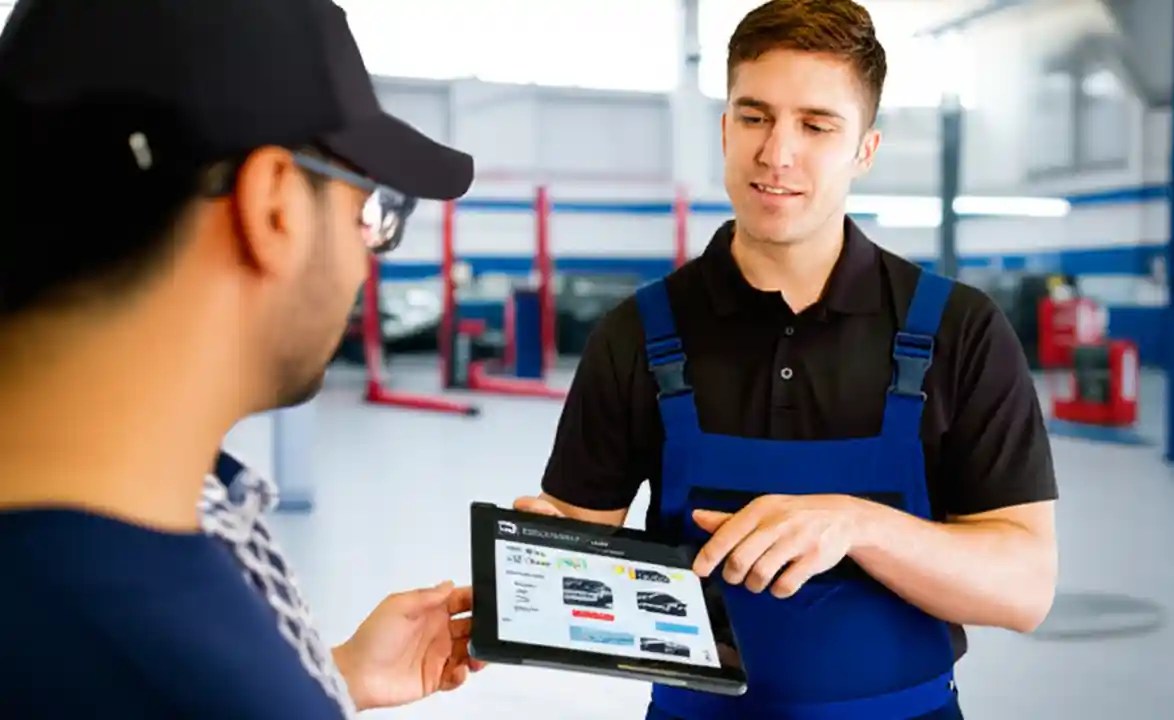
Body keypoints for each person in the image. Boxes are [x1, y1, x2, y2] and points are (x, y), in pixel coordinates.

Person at [514, 1, 1059, 718]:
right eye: (755, 116)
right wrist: (535, 563)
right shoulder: (637, 335)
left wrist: (858, 526)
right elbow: (578, 555)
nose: (777, 152)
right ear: (725, 129)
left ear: (865, 149)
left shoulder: (961, 332)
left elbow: (1024, 589)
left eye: (816, 125)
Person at [0, 0, 483, 717]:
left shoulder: (122, 557)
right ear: (274, 207)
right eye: (368, 215)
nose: (365, 261)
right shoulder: (173, 664)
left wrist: (329, 677)